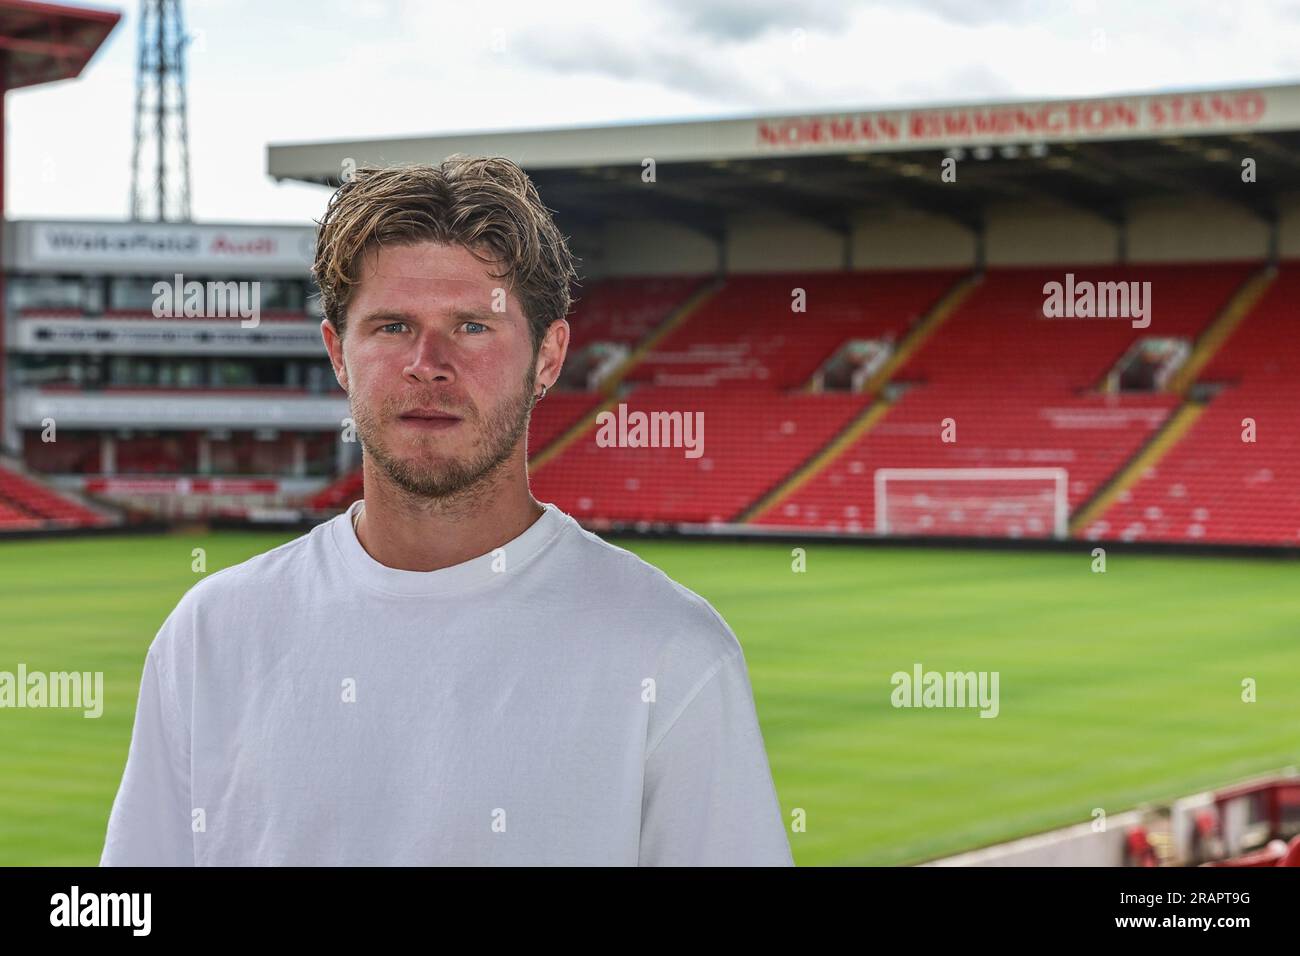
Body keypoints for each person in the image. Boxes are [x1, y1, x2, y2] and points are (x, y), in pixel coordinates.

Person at [99, 156, 793, 866]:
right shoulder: (208, 637)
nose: (426, 364)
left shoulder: (672, 650)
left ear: (549, 357)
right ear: (338, 354)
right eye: (393, 326)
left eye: (471, 327)